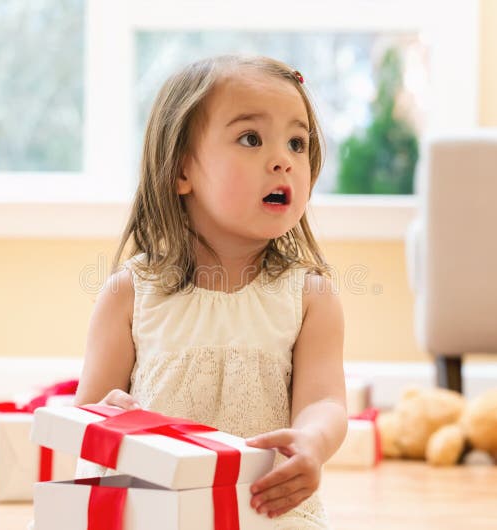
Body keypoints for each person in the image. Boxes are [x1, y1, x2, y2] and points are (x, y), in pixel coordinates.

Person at [75, 54, 347, 529]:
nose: (284, 158)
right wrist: (104, 415)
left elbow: (324, 401)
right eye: (250, 138)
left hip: (265, 510)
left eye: (298, 143)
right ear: (182, 170)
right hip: (155, 513)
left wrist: (312, 440)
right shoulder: (131, 293)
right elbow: (87, 414)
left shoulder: (309, 296)